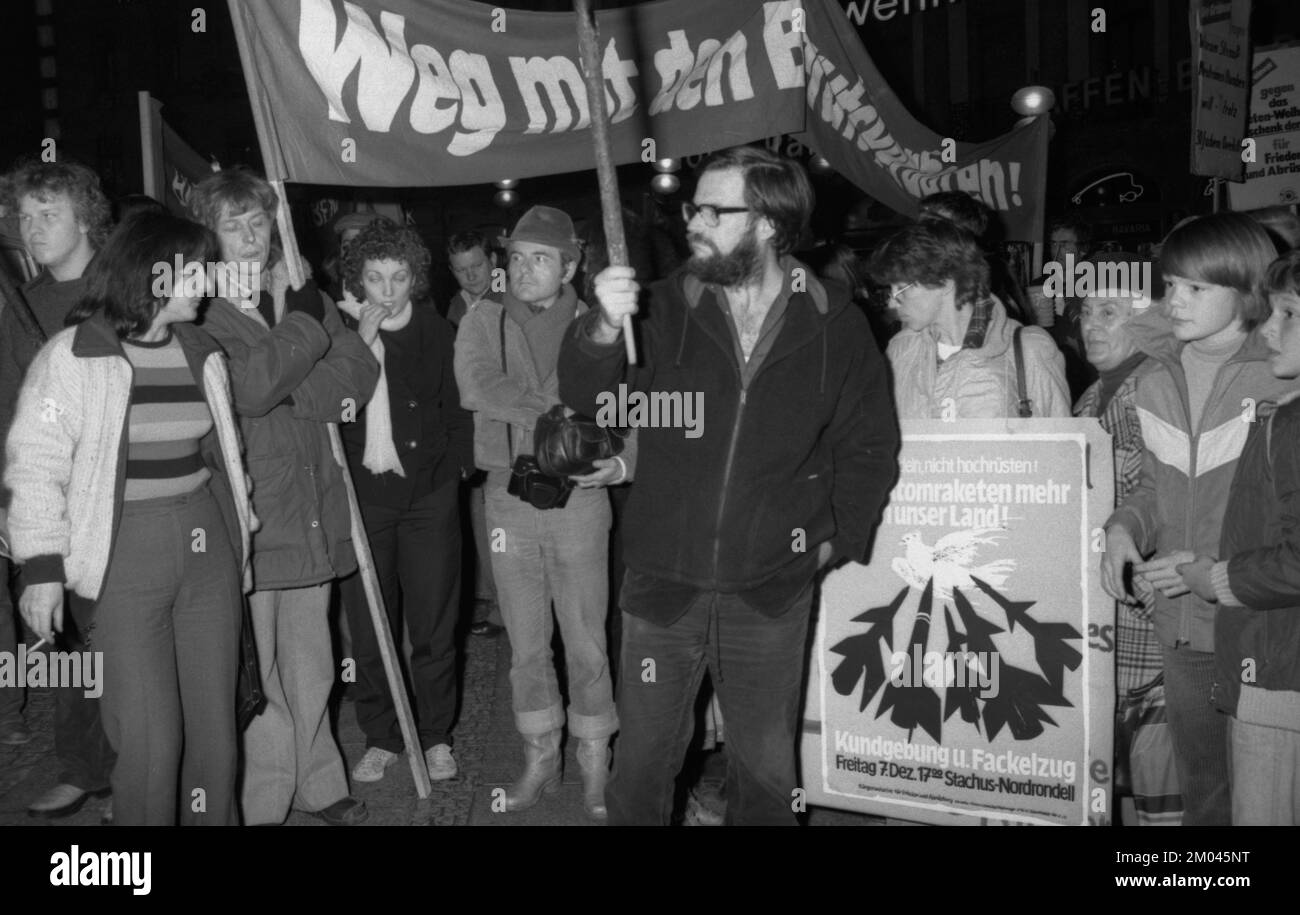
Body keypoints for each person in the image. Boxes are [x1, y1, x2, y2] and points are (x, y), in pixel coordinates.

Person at [560, 145, 899, 825]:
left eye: (715, 211)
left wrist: (832, 539)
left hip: (770, 591)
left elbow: (869, 447)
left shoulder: (834, 321)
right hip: (662, 582)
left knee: (766, 775)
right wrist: (599, 325)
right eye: (693, 208)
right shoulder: (659, 308)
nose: (694, 222)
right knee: (645, 767)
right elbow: (592, 400)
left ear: (769, 223)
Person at [6, 210, 254, 825]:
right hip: (123, 557)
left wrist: (239, 503)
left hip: (207, 551)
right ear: (155, 273)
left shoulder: (203, 351)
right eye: (197, 270)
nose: (208, 281)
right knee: (147, 741)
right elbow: (35, 465)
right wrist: (40, 568)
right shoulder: (76, 355)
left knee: (215, 735)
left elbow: (218, 449)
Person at [191, 167, 380, 826]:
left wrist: (298, 383)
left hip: (312, 503)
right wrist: (301, 342)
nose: (249, 236)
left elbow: (359, 367)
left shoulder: (296, 289)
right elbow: (245, 388)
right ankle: (264, 796)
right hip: (251, 511)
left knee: (315, 658)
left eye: (258, 220)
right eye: (233, 224)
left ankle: (319, 780)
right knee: (259, 668)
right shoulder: (201, 306)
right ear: (210, 237)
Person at [1100, 212, 1296, 826]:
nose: (1175, 302)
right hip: (1180, 625)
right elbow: (1157, 490)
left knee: (1268, 799)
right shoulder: (1154, 378)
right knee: (1204, 791)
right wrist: (1122, 528)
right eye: (1171, 285)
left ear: (1247, 292)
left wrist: (1206, 572)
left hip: (1260, 626)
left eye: (1196, 288)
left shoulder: (1281, 375)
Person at [455, 205, 623, 820]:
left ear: (570, 265)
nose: (524, 270)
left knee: (587, 641)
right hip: (506, 498)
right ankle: (540, 757)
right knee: (525, 645)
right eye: (517, 256)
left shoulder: (600, 325)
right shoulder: (482, 321)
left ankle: (594, 761)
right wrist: (559, 414)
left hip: (580, 499)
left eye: (541, 258)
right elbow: (478, 387)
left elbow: (619, 405)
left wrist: (575, 419)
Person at [335, 220, 474, 783]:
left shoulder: (439, 331)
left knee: (434, 624)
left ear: (414, 277)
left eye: (397, 276)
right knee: (370, 626)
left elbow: (458, 407)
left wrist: (458, 471)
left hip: (429, 493)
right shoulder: (341, 335)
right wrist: (360, 350)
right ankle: (382, 735)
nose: (386, 290)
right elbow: (333, 412)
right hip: (364, 495)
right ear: (358, 280)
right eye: (374, 277)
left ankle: (436, 735)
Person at [0, 161, 116, 815]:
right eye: (26, 216)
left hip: (127, 499)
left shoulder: (128, 287)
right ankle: (81, 763)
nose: (33, 227)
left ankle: (137, 770)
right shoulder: (24, 305)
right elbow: (7, 402)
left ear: (84, 218)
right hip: (51, 502)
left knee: (125, 641)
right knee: (61, 643)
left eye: (48, 214)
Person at [1174, 249, 1300, 825]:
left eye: (1289, 313)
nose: (1269, 327)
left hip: (1276, 671)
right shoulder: (1285, 413)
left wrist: (1214, 577)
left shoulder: (1290, 422)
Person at [1071, 253, 1183, 825]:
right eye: (1086, 311)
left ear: (1147, 317)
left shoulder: (1156, 383)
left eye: (1108, 312)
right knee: (1126, 780)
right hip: (1115, 621)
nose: (1091, 324)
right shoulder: (1094, 395)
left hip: (1149, 617)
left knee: (1159, 785)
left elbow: (1157, 490)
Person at [870, 219, 1070, 420]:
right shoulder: (901, 350)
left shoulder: (1028, 349)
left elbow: (1064, 446)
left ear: (945, 282)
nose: (892, 305)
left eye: (901, 290)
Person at [445, 230, 504, 638]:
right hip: (471, 425)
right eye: (462, 270)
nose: (471, 277)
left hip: (504, 423)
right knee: (480, 517)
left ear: (493, 261)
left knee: (502, 520)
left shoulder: (512, 298)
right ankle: (490, 597)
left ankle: (505, 609)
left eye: (477, 267)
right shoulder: (453, 307)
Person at [917, 190, 1032, 325]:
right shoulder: (918, 277)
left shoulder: (995, 280)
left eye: (933, 227)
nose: (921, 235)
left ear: (964, 235)